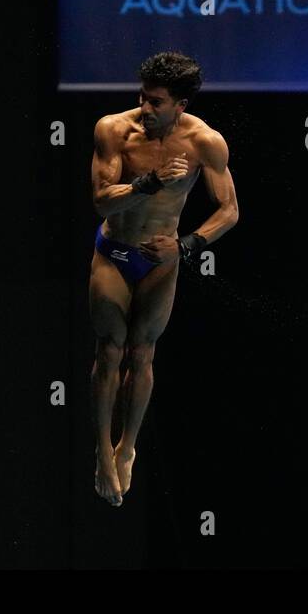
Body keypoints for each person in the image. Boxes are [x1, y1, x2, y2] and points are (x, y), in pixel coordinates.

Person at [88, 51, 239, 506]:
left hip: (162, 259)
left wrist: (187, 245)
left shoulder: (205, 142)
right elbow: (101, 203)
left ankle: (127, 445)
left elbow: (229, 211)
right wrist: (147, 184)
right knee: (110, 350)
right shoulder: (113, 129)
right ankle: (101, 450)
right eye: (143, 97)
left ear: (182, 106)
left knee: (142, 351)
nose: (146, 108)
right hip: (114, 252)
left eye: (157, 102)